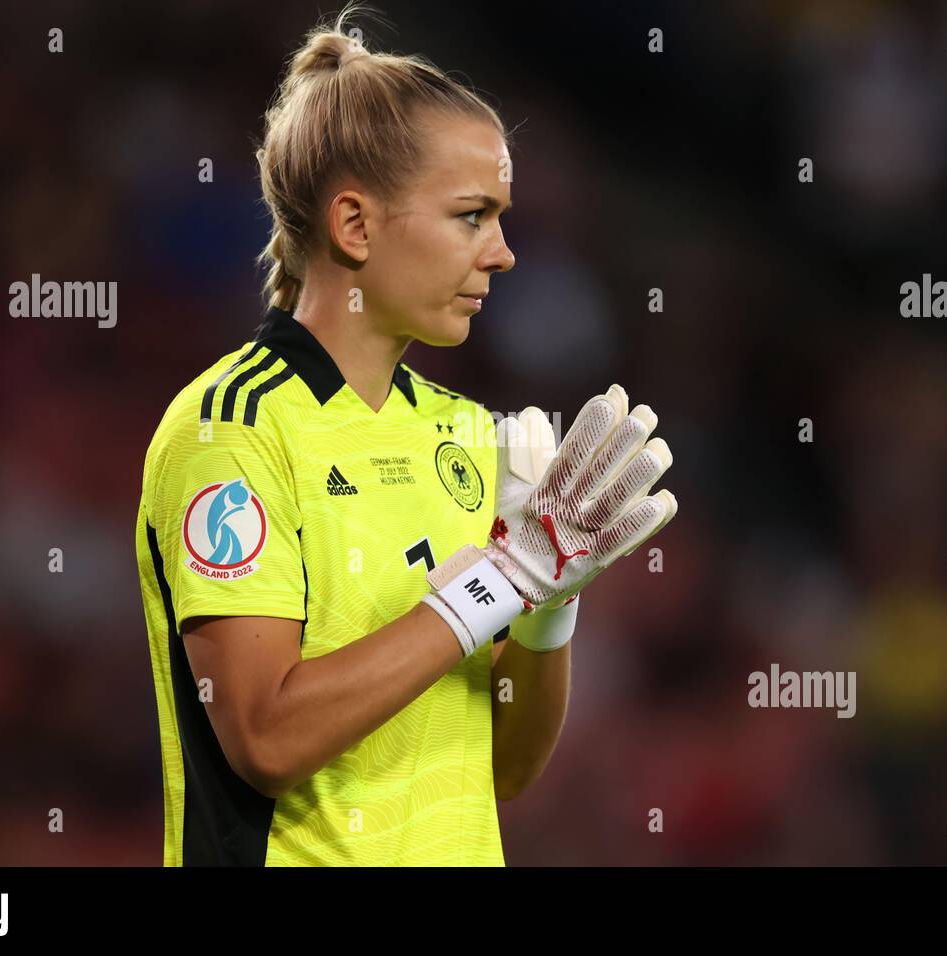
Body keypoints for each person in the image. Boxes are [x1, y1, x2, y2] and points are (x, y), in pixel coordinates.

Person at [134, 7, 676, 866]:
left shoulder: (464, 432)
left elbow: (505, 766)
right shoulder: (231, 429)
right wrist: (504, 575)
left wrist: (550, 600)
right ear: (355, 225)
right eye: (471, 215)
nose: (502, 253)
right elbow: (266, 740)